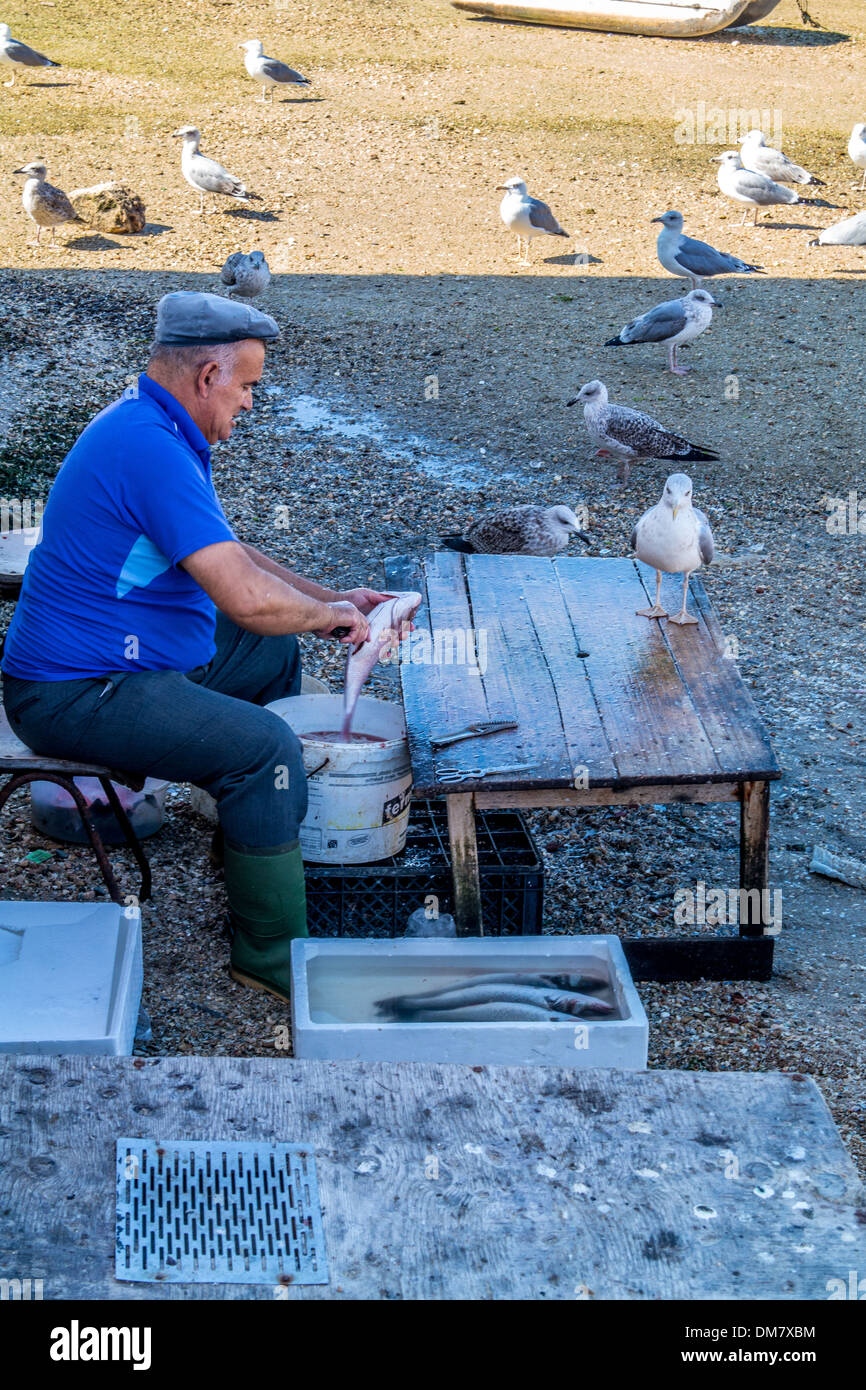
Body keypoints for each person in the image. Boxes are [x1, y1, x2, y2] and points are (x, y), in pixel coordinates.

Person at [1, 290, 391, 1003]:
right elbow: (243, 597)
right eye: (247, 386)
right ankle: (271, 955)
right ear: (209, 375)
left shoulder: (154, 424)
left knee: (270, 654)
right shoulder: (149, 447)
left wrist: (334, 596)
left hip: (129, 656)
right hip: (75, 690)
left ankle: (246, 832)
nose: (249, 403)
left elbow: (232, 556)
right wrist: (326, 618)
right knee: (266, 749)